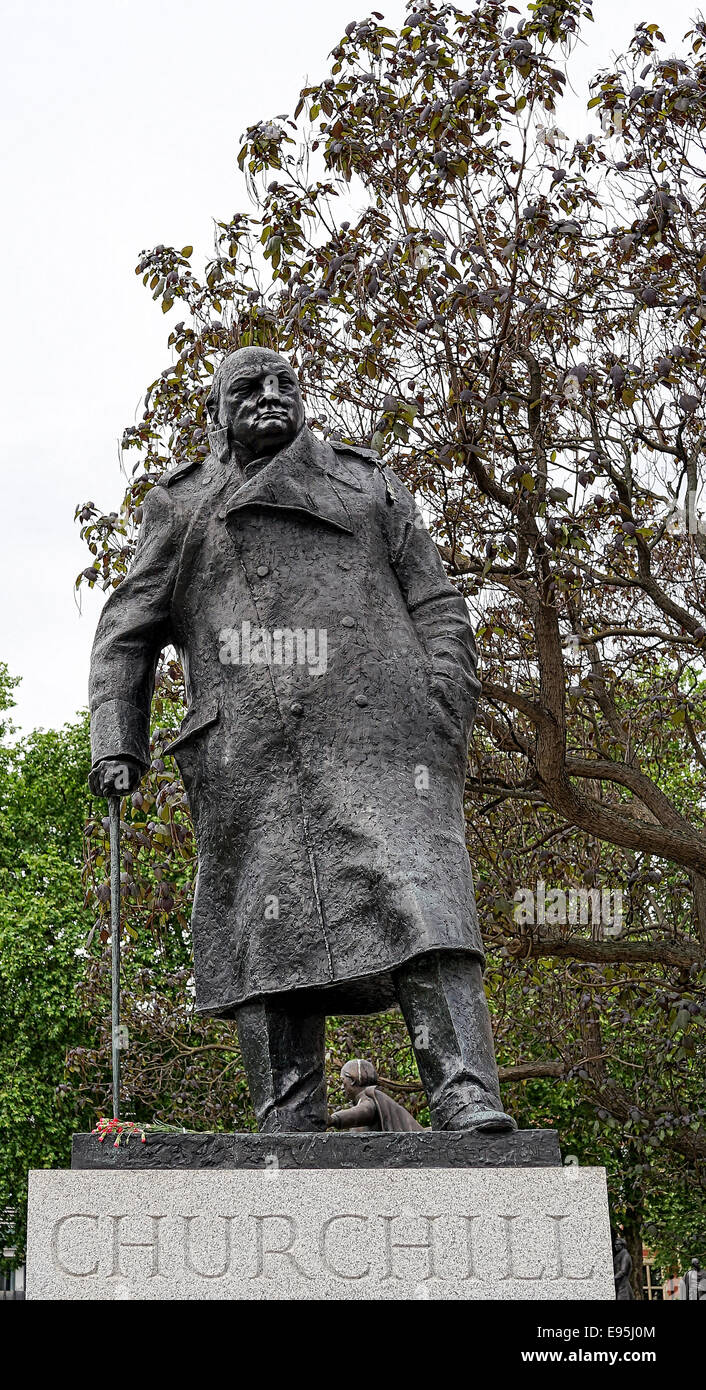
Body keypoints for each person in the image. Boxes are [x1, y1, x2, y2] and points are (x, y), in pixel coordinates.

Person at [89, 346, 515, 1135]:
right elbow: (126, 632)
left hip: (387, 742)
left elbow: (438, 601)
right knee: (267, 931)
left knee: (426, 903)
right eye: (247, 387)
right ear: (215, 413)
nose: (271, 396)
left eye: (286, 383)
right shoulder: (184, 507)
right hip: (254, 754)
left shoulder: (367, 484)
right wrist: (118, 741)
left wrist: (443, 701)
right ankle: (288, 1117)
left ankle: (465, 1094)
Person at [329, 1059, 423, 1133]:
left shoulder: (370, 1096)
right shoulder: (360, 1102)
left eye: (342, 1081)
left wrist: (333, 1119)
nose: (341, 1087)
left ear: (353, 1080)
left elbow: (366, 1110)